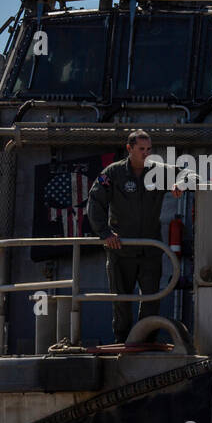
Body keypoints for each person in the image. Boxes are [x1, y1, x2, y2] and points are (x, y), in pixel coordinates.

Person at [86, 129, 183, 342]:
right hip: (121, 249)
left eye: (149, 149)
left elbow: (189, 173)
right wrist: (104, 233)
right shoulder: (112, 173)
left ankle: (146, 341)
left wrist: (181, 183)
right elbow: (95, 201)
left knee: (151, 298)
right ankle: (122, 341)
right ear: (129, 149)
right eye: (141, 149)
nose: (146, 153)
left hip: (150, 250)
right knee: (121, 299)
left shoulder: (159, 172)